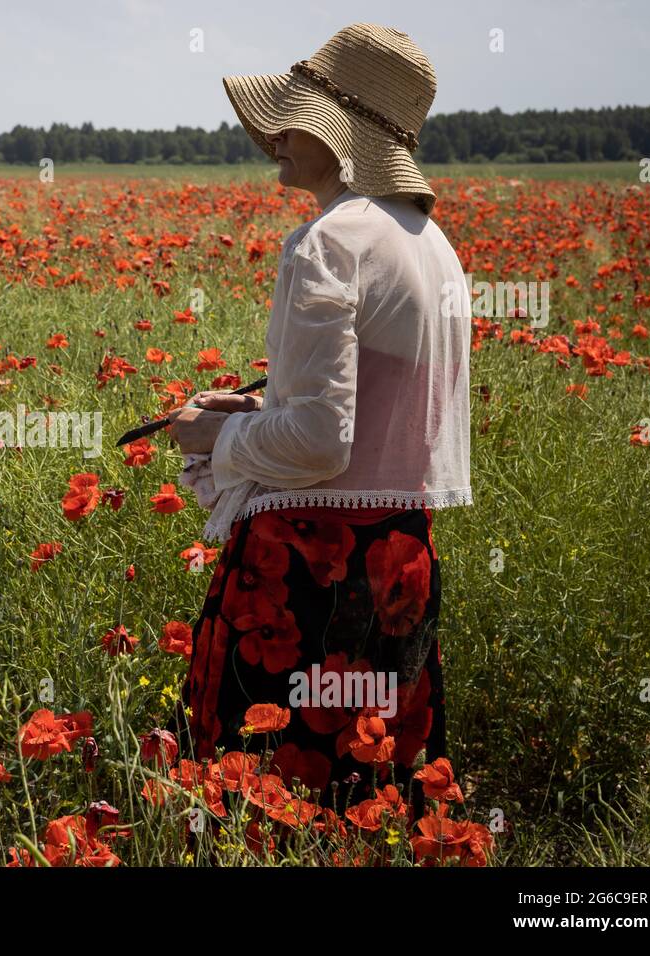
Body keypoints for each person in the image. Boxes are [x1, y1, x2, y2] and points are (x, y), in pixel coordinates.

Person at [167, 23, 473, 822]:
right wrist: (263, 410)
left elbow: (318, 445)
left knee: (267, 798)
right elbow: (371, 426)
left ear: (344, 136)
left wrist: (215, 436)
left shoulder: (329, 243)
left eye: (294, 117)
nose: (275, 135)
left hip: (307, 569)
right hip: (399, 560)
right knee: (373, 794)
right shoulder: (432, 245)